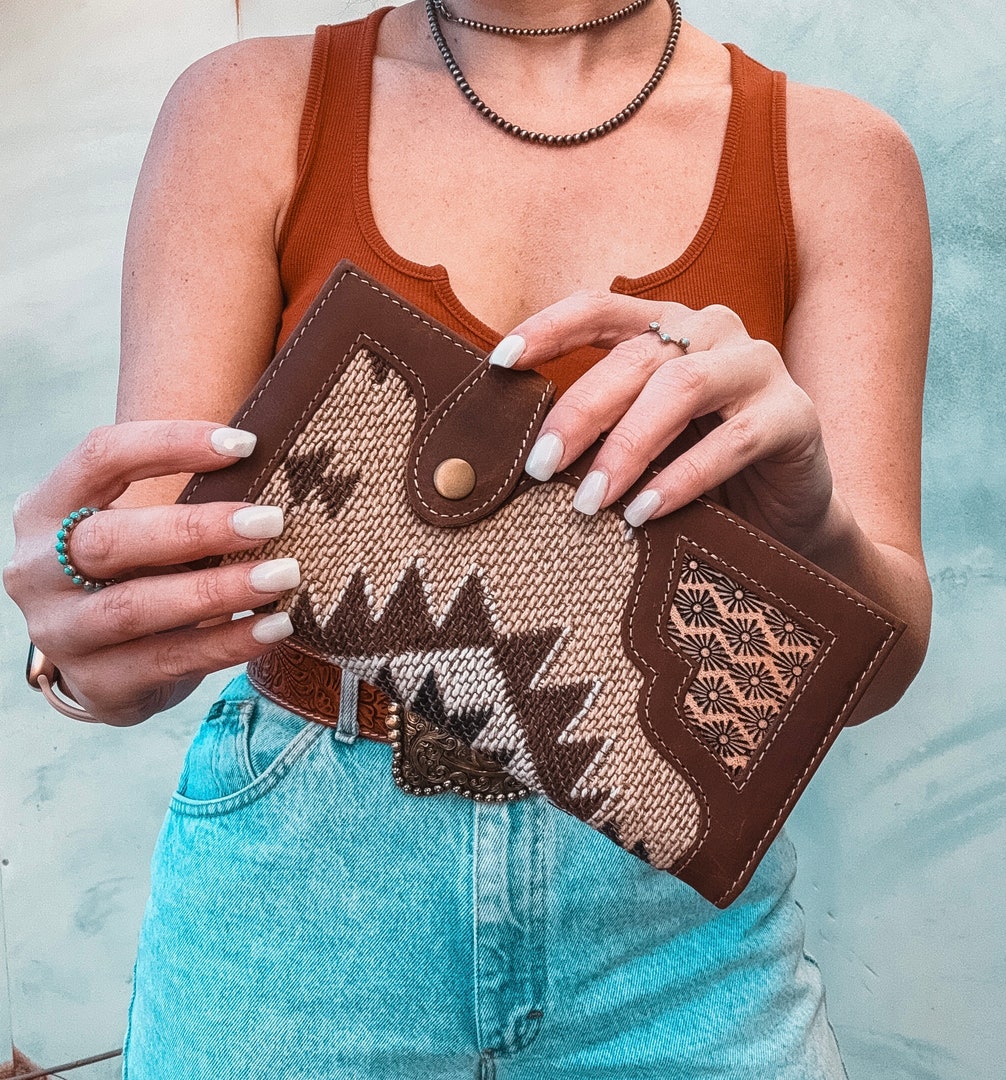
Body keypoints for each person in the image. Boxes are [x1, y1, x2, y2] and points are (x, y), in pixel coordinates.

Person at [4, 0, 932, 1075]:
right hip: (298, 906)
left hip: (673, 931)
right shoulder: (247, 109)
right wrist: (86, 647)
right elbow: (156, 592)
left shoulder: (836, 156)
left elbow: (875, 675)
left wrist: (808, 522)